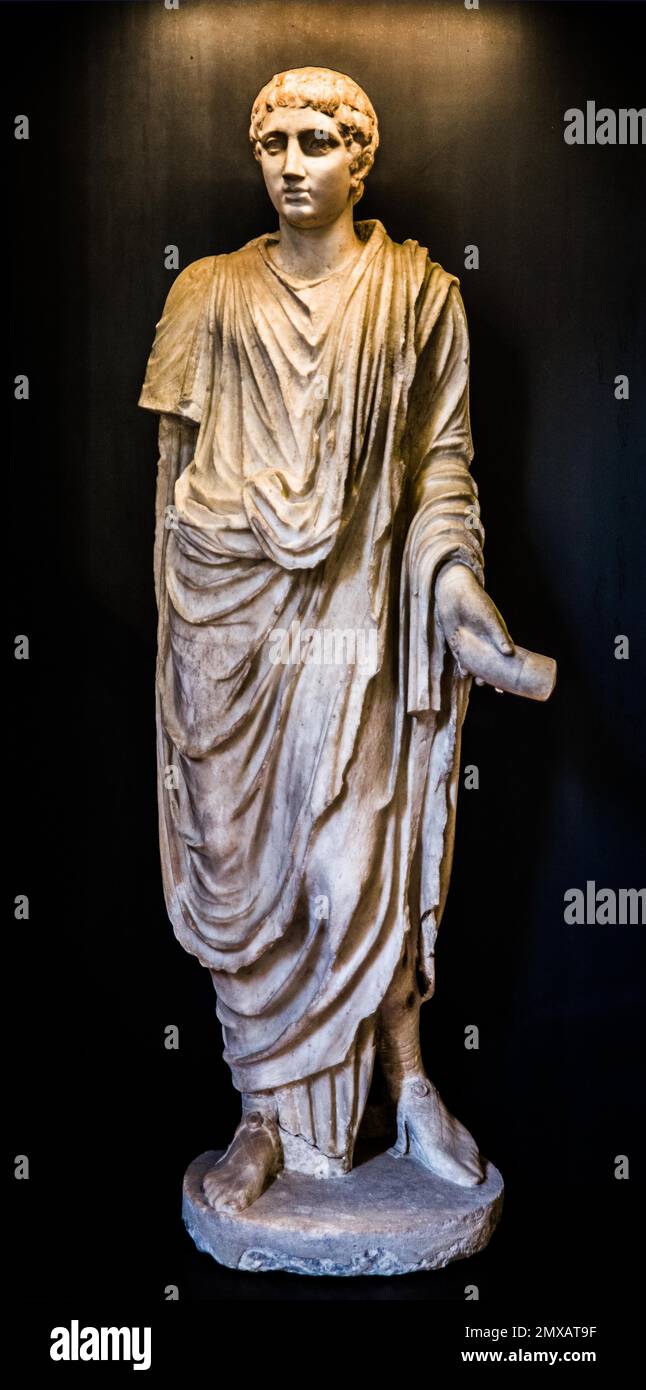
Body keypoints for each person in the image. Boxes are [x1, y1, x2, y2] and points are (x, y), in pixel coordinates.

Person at [139, 67, 516, 1214]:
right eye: (275, 142)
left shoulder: (416, 297)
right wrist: (192, 611)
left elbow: (439, 467)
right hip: (228, 631)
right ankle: (259, 1115)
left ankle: (405, 1084)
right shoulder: (207, 292)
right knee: (246, 868)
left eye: (318, 141)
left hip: (355, 624)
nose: (293, 162)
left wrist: (453, 586)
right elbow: (167, 490)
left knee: (357, 863)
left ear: (362, 158)